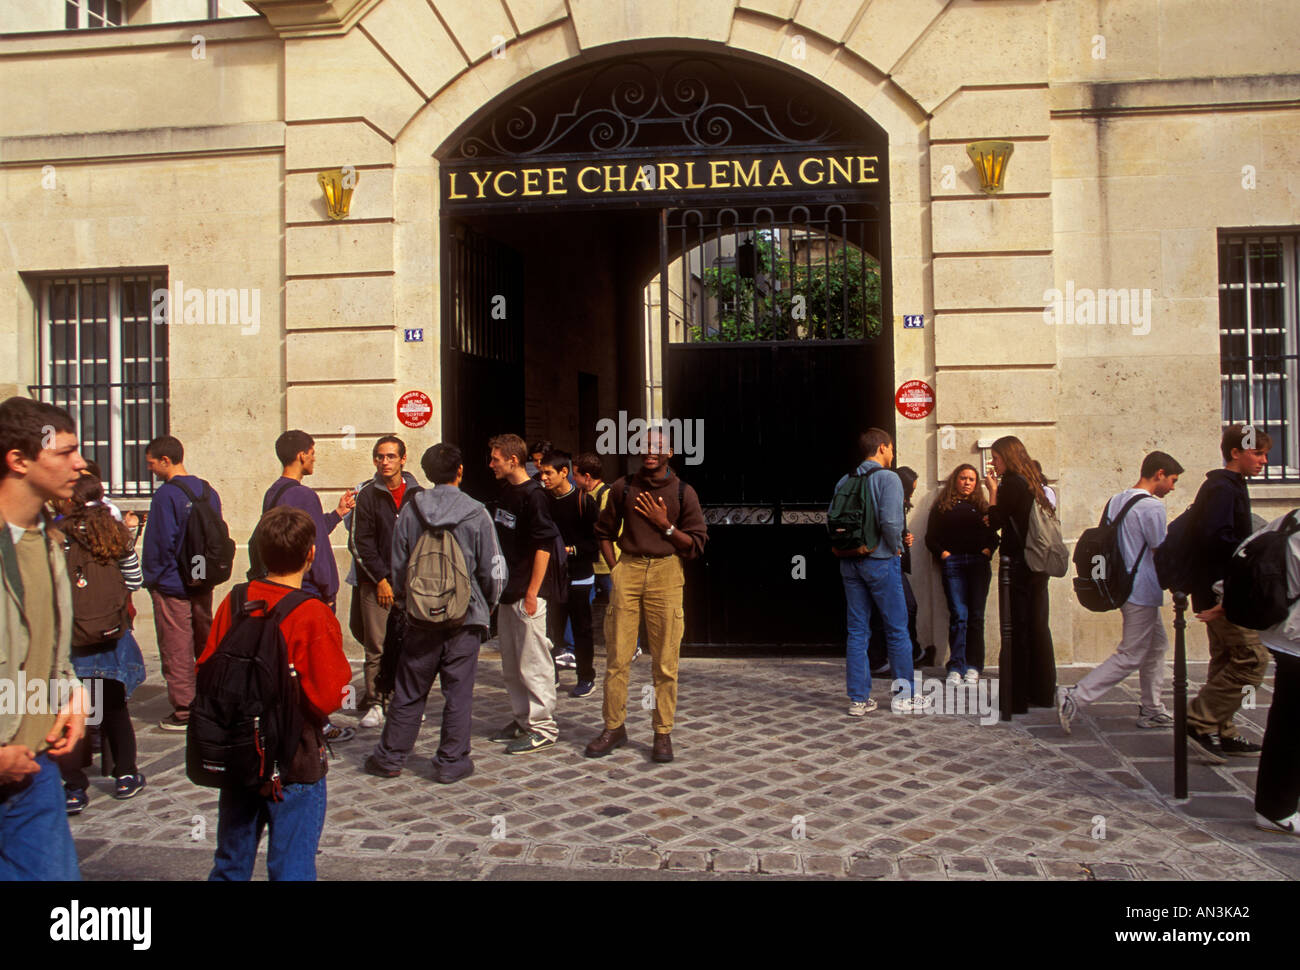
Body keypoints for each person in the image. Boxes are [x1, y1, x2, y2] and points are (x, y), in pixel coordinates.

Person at [201, 506, 351, 880]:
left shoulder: (234, 601)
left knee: (230, 863)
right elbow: (330, 694)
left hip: (239, 752)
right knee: (291, 867)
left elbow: (206, 667)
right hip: (293, 756)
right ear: (311, 554)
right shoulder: (312, 613)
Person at [365, 444, 503, 782]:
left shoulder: (412, 511)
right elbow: (494, 570)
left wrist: (408, 602)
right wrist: (485, 606)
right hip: (465, 618)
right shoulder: (476, 512)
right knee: (458, 694)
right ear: (460, 471)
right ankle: (451, 761)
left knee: (410, 689)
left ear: (426, 474)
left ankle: (391, 757)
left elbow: (399, 564)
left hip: (420, 618)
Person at [0, 396, 90, 880]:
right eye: (65, 452)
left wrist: (72, 690)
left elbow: (47, 648)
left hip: (35, 772)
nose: (79, 463)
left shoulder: (50, 540)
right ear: (19, 460)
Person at [585, 429, 708, 763]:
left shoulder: (684, 492)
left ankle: (662, 731)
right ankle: (614, 727)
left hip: (667, 572)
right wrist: (617, 570)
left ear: (669, 451)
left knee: (665, 662)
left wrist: (665, 525)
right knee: (617, 658)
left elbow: (696, 545)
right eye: (644, 446)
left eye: (656, 446)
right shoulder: (623, 487)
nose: (649, 452)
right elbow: (603, 533)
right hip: (629, 569)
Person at [1057, 452, 1184, 734]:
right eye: (1172, 481)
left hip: (1121, 585)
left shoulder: (1117, 499)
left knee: (1156, 646)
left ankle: (1152, 709)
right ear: (1159, 473)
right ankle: (1074, 696)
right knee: (1130, 654)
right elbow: (1158, 550)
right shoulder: (1152, 507)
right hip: (1142, 588)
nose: (1173, 488)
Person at [58, 475, 148, 812]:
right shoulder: (116, 534)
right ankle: (125, 774)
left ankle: (74, 787)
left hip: (70, 636)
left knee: (71, 711)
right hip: (111, 636)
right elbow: (136, 580)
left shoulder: (59, 536)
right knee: (114, 710)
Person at [1205, 511, 1300, 833]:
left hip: (1281, 633)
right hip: (1295, 636)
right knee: (1289, 724)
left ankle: (1277, 805)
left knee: (1287, 720)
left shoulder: (1291, 519)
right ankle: (1277, 808)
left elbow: (1243, 553)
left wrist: (1227, 597)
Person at [261, 429, 356, 743]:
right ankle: (320, 723)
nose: (315, 458)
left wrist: (337, 514)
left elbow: (301, 534)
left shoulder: (274, 491)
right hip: (308, 591)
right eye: (313, 452)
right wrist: (328, 590)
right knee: (315, 663)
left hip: (281, 588)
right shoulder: (303, 494)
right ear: (302, 455)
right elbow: (319, 551)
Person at [1184, 424, 1272, 763]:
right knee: (1253, 658)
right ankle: (1199, 720)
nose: (1263, 460)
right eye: (1257, 452)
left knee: (1225, 658)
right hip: (1221, 592)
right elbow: (1215, 539)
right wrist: (1250, 554)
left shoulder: (1229, 485)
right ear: (1236, 452)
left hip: (1219, 590)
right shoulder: (1222, 488)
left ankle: (1222, 729)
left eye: (1265, 454)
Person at [832, 429, 929, 717]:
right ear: (883, 447)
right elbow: (890, 520)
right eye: (891, 448)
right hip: (881, 560)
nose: (893, 453)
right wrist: (898, 547)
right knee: (897, 629)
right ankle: (904, 696)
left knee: (857, 630)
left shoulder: (845, 480)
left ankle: (859, 699)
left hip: (850, 561)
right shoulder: (889, 478)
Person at [487, 433, 561, 754]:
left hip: (529, 594)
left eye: (495, 459)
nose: (491, 464)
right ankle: (522, 719)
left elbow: (544, 545)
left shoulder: (535, 496)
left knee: (534, 662)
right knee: (512, 664)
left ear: (512, 460)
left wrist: (532, 592)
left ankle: (543, 726)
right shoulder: (506, 492)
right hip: (507, 591)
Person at [142, 435, 222, 731]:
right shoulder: (207, 490)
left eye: (151, 463)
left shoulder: (165, 496)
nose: (149, 469)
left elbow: (161, 543)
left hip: (173, 583)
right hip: (202, 580)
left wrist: (154, 579)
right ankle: (210, 697)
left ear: (166, 460)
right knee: (206, 641)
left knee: (176, 645)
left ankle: (185, 709)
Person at [349, 435, 421, 729]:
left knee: (409, 644)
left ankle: (405, 701)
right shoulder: (367, 494)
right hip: (375, 583)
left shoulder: (418, 494)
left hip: (410, 585)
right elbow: (359, 541)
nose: (385, 462)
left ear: (403, 459)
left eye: (391, 456)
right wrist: (380, 578)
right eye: (380, 456)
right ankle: (376, 701)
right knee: (376, 646)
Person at [985, 435, 1057, 713]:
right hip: (1038, 564)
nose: (993, 462)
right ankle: (1041, 692)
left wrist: (992, 491)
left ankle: (1016, 697)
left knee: (1015, 629)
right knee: (1038, 626)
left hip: (1018, 564)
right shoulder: (1033, 483)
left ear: (1008, 457)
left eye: (997, 457)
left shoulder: (1011, 483)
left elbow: (996, 521)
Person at [926, 463, 999, 685]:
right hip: (954, 565)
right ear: (955, 480)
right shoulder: (942, 506)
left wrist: (987, 551)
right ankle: (956, 666)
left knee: (976, 616)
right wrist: (945, 554)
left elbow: (994, 534)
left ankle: (974, 666)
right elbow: (931, 537)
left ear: (977, 484)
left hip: (978, 564)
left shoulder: (982, 506)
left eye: (971, 479)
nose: (967, 482)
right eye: (963, 478)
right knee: (959, 615)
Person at [540, 450, 600, 697]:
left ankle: (586, 676)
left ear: (564, 472)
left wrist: (569, 550)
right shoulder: (542, 500)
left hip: (579, 576)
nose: (543, 478)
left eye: (548, 473)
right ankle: (551, 676)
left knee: (582, 629)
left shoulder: (584, 502)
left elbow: (595, 543)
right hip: (552, 578)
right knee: (550, 630)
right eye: (541, 472)